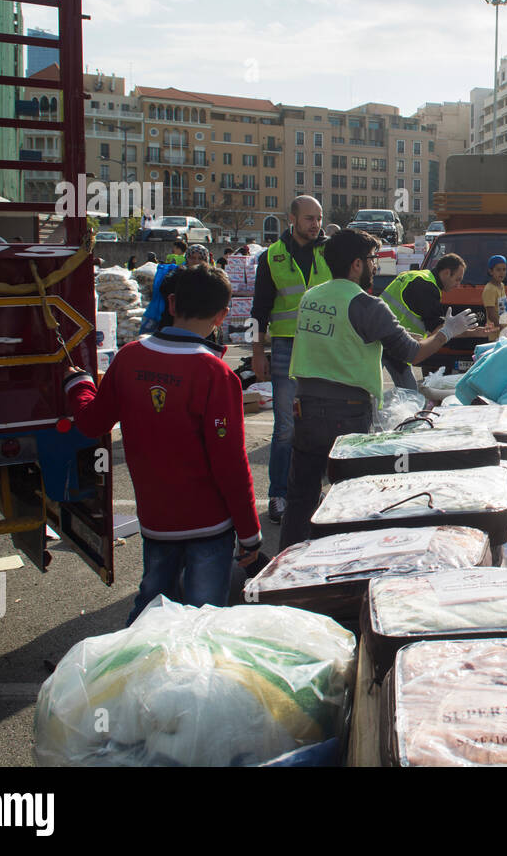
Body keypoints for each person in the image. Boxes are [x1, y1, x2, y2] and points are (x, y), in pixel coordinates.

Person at [63, 265, 261, 625]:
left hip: (156, 520)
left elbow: (91, 422)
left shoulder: (130, 357)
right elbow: (230, 463)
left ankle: (134, 670)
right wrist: (250, 534)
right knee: (201, 619)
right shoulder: (216, 374)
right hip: (209, 525)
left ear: (171, 303)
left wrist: (78, 386)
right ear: (221, 315)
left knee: (151, 612)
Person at [279, 230, 481, 549]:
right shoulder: (365, 305)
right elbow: (413, 354)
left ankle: (288, 564)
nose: (376, 267)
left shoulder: (311, 297)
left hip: (304, 407)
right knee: (351, 499)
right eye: (373, 260)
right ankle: (341, 561)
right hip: (346, 414)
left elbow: (390, 338)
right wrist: (448, 333)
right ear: (357, 264)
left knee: (301, 497)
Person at [250, 195, 331, 525]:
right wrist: (257, 353)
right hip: (286, 348)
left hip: (325, 347)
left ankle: (316, 491)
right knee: (285, 429)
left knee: (323, 423)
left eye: (319, 218)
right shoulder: (273, 257)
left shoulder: (330, 252)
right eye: (309, 218)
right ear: (292, 220)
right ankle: (279, 494)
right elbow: (259, 310)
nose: (316, 224)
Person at [382, 252, 492, 385]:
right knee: (394, 389)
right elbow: (439, 332)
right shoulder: (426, 287)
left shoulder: (416, 276)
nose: (458, 285)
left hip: (386, 339)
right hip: (387, 341)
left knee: (408, 390)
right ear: (446, 273)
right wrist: (469, 331)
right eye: (457, 279)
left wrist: (473, 332)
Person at [482, 254, 507, 336]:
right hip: (495, 333)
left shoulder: (502, 285)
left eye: (504, 269)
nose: (502, 272)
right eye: (498, 270)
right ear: (491, 271)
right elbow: (491, 314)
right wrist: (504, 330)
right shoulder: (490, 289)